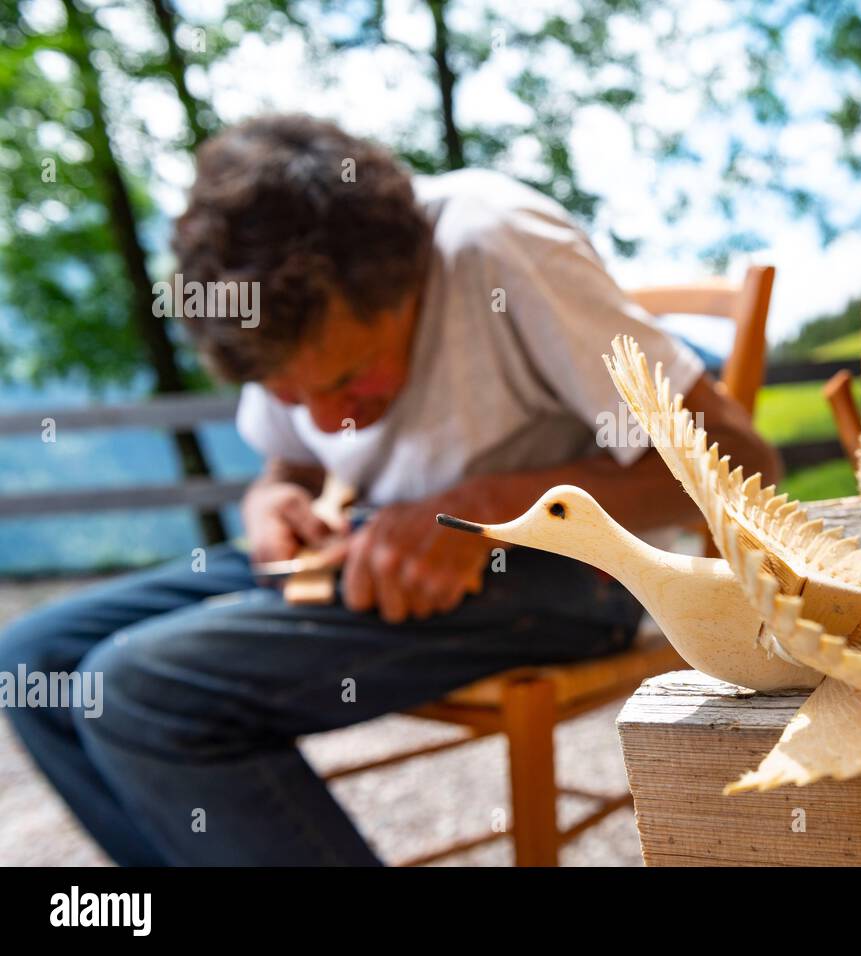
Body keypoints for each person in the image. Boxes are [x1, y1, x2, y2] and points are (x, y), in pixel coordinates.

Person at [0, 115, 779, 865]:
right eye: (293, 398)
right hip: (372, 541)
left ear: (406, 282)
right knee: (39, 664)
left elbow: (739, 460)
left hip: (565, 573)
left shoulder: (495, 242)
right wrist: (271, 504)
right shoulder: (279, 318)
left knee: (142, 691)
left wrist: (485, 514)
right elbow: (292, 468)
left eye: (346, 380)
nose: (330, 423)